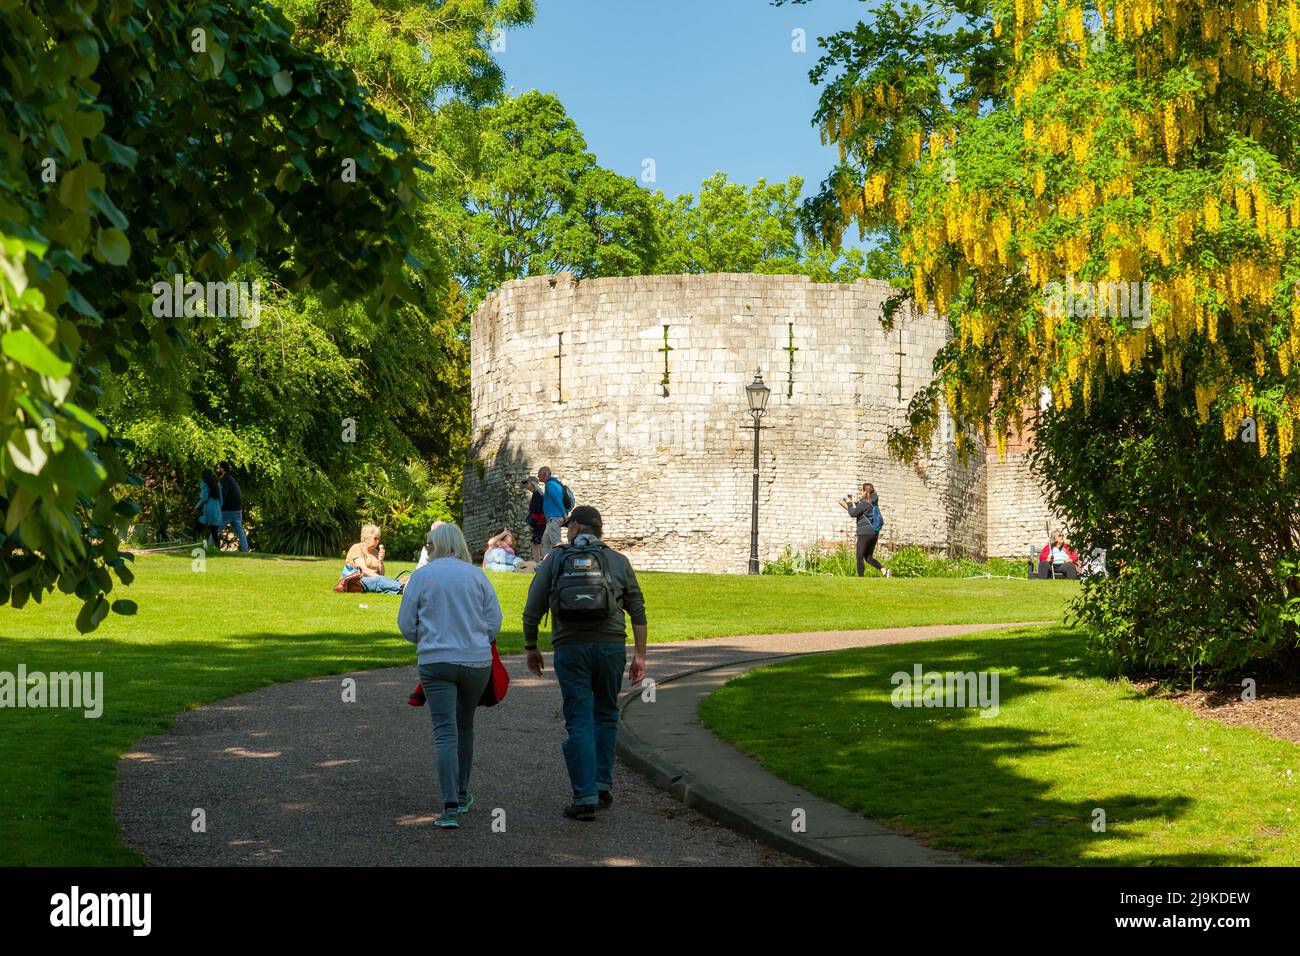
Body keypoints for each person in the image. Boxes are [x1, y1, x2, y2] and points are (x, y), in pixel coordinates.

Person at [523, 505, 647, 821]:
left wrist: (531, 648)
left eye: (568, 527)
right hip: (610, 647)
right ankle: (602, 785)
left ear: (577, 527)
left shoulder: (556, 559)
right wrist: (640, 656)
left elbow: (532, 609)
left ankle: (584, 797)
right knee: (605, 714)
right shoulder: (618, 561)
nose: (566, 531)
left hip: (571, 647)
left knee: (578, 719)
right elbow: (637, 610)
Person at [398, 523, 504, 829]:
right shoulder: (476, 575)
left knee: (445, 731)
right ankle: (461, 792)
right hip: (475, 661)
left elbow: (406, 625)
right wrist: (471, 637)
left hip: (436, 661)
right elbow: (493, 623)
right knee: (465, 726)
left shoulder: (422, 576)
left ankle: (449, 806)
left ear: (434, 546)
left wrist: (429, 638)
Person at [843, 482, 890, 577]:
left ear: (865, 491)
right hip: (874, 532)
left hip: (864, 533)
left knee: (859, 556)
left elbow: (853, 513)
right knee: (868, 557)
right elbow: (865, 510)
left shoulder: (864, 503)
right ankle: (884, 570)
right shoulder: (874, 501)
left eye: (862, 490)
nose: (861, 492)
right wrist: (856, 502)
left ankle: (861, 577)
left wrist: (849, 503)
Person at [343, 524, 404, 593]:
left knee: (386, 589)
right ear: (366, 538)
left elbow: (381, 574)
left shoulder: (375, 551)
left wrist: (380, 561)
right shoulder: (357, 548)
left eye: (378, 539)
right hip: (358, 581)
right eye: (375, 538)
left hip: (373, 581)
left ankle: (402, 589)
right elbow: (364, 570)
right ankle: (403, 587)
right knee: (380, 581)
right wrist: (380, 578)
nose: (377, 541)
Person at [536, 466, 571, 558]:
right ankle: (548, 563)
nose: (538, 477)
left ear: (544, 474)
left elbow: (556, 500)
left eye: (539, 475)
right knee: (545, 541)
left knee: (556, 543)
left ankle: (563, 561)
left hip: (554, 518)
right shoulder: (556, 484)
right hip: (553, 518)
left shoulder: (550, 485)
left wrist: (564, 514)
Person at [215, 461, 250, 552]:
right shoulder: (231, 479)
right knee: (240, 532)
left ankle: (208, 548)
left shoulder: (225, 480)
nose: (217, 470)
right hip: (237, 510)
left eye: (218, 468)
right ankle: (246, 551)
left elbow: (223, 496)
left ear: (223, 469)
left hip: (228, 511)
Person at [195, 469, 223, 549]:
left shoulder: (204, 483)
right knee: (214, 532)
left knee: (197, 529)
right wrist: (219, 508)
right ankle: (218, 549)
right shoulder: (217, 483)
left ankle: (194, 546)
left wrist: (197, 506)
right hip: (217, 509)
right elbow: (221, 499)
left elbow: (204, 498)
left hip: (207, 508)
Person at [523, 477, 546, 562]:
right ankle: (539, 564)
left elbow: (536, 512)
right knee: (537, 544)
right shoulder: (538, 494)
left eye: (527, 483)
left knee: (538, 544)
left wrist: (532, 525)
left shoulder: (537, 495)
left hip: (540, 524)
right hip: (541, 523)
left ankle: (542, 563)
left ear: (532, 483)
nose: (525, 485)